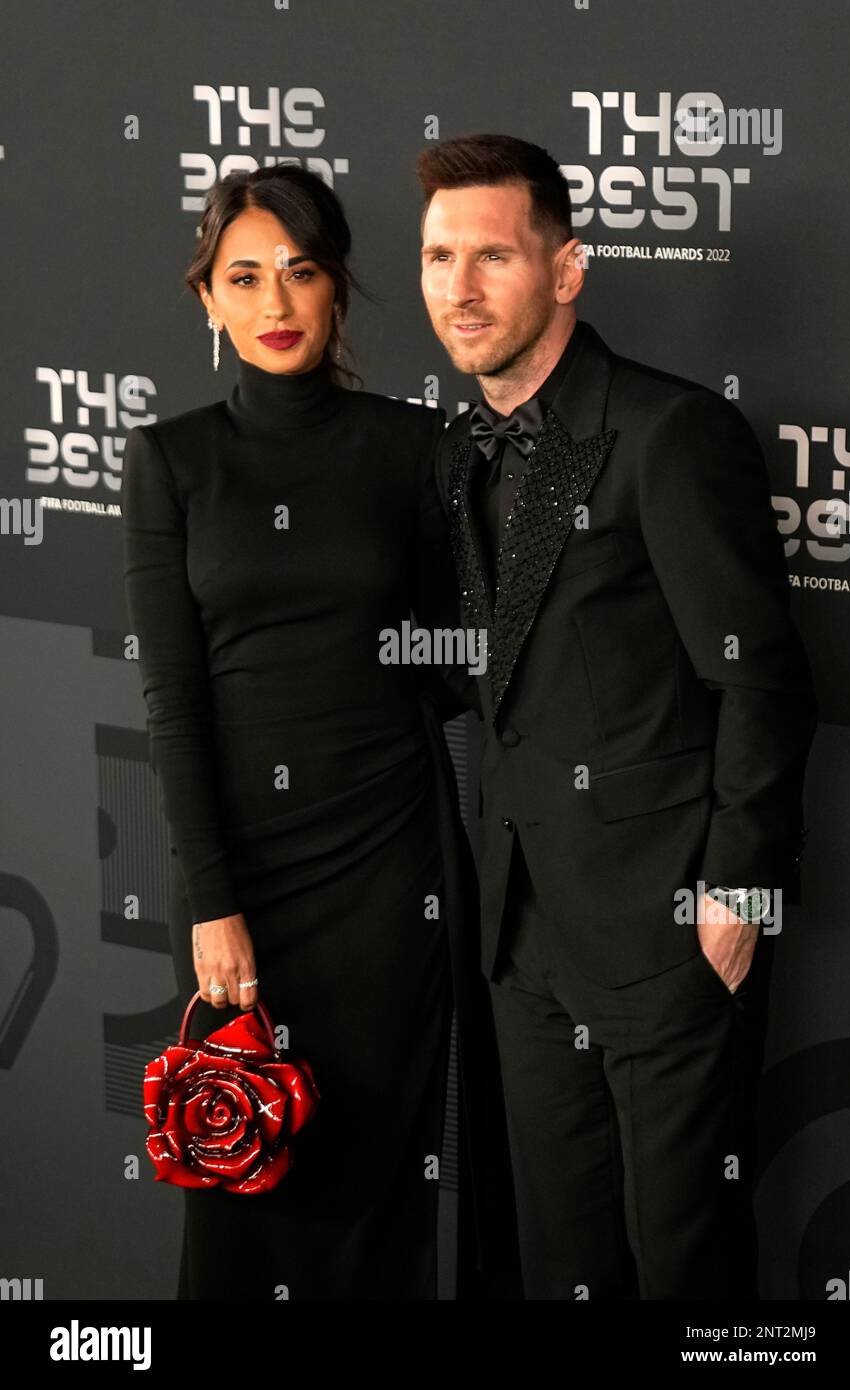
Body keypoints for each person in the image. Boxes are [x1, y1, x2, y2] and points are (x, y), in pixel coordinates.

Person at [416, 132, 819, 1299]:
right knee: (563, 1262)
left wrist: (736, 894)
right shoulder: (456, 456)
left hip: (663, 926)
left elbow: (757, 676)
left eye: (491, 256)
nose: (459, 287)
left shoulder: (666, 433)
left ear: (567, 268)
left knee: (685, 1265)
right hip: (519, 934)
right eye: (440, 257)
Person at [121, 163, 509, 1300]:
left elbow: (456, 659)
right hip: (243, 878)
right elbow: (172, 700)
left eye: (300, 271)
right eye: (244, 277)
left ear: (337, 287)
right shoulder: (173, 461)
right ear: (208, 299)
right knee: (246, 1169)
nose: (275, 301)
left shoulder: (414, 447)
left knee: (373, 1175)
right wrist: (211, 901)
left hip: (388, 864)